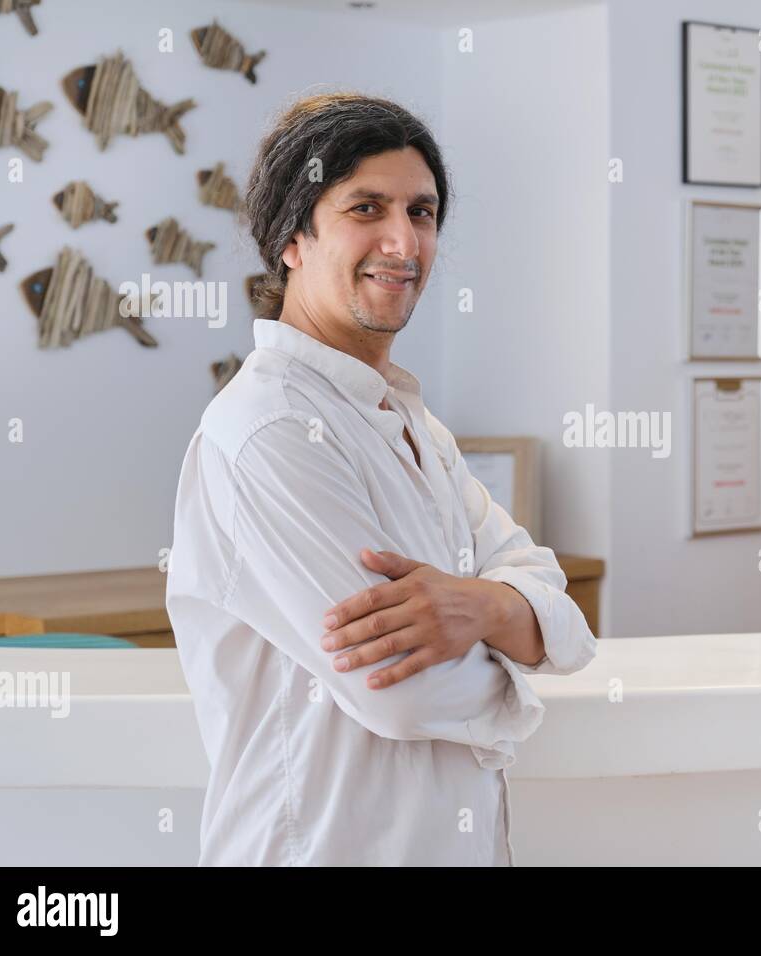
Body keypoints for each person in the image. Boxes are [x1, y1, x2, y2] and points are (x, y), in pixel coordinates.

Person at [165, 93, 596, 866]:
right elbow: (401, 693)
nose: (404, 242)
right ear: (291, 236)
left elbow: (555, 604)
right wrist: (513, 632)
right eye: (367, 207)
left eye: (423, 213)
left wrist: (481, 605)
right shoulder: (268, 432)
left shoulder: (413, 424)